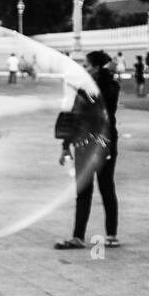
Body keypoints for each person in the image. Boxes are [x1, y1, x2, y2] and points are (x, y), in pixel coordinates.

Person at [55, 51, 120, 250]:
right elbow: (73, 116)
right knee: (83, 189)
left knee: (106, 187)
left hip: (104, 142)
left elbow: (105, 103)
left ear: (98, 67)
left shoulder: (110, 86)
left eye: (88, 65)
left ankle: (111, 235)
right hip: (84, 143)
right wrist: (66, 146)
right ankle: (78, 237)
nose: (84, 69)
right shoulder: (84, 88)